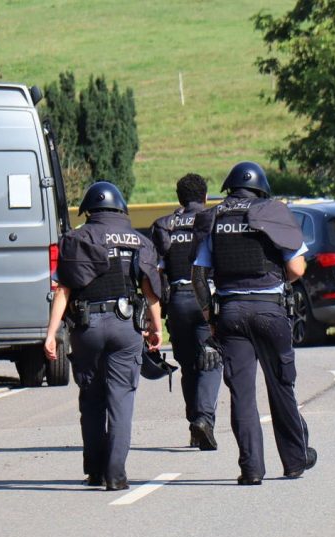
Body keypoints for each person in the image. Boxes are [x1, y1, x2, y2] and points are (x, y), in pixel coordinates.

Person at [190, 161, 317, 485]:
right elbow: (299, 268)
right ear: (261, 188)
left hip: (231, 313)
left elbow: (199, 276)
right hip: (270, 311)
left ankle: (251, 469)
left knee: (242, 395)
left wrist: (211, 318)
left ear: (230, 188)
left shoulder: (216, 218)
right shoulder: (274, 212)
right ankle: (294, 461)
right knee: (281, 387)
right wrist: (278, 279)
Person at [44, 181, 163, 491]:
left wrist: (51, 333)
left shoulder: (76, 239)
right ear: (120, 208)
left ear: (89, 210)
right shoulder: (138, 240)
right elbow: (150, 292)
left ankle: (95, 471)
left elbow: (63, 291)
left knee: (92, 399)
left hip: (88, 328)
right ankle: (115, 474)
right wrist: (156, 328)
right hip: (126, 327)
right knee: (121, 400)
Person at [149, 173, 223, 450]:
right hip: (206, 298)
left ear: (179, 198)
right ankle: (203, 419)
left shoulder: (163, 225)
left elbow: (155, 272)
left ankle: (195, 423)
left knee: (189, 365)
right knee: (211, 359)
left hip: (177, 301)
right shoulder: (212, 219)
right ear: (204, 197)